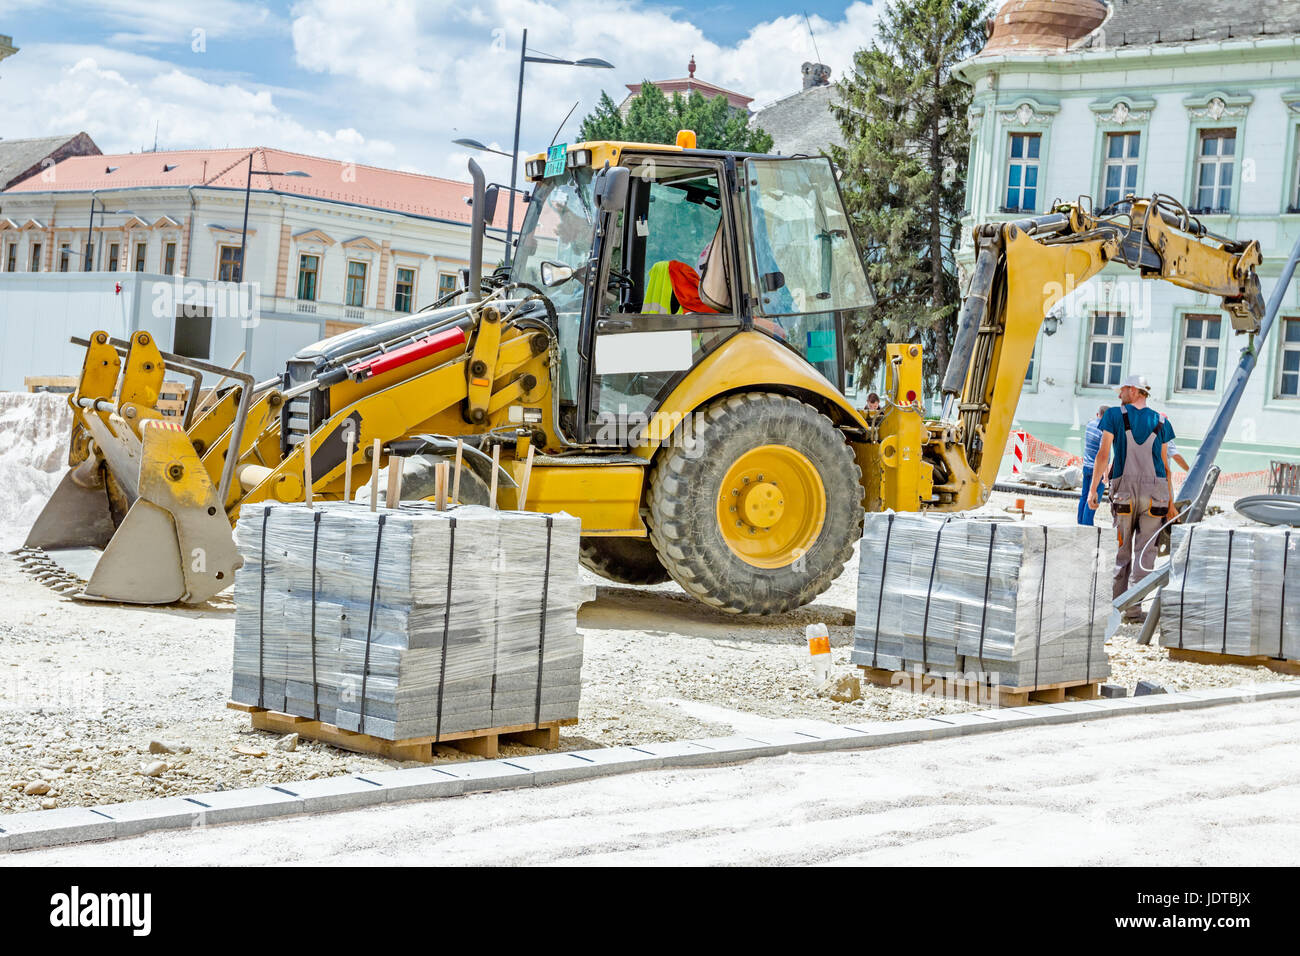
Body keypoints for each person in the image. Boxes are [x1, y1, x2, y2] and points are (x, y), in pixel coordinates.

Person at [1087, 374, 1178, 621]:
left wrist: (1093, 489)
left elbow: (1103, 454)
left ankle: (1116, 608)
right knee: (1146, 553)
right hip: (1156, 496)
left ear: (1135, 391)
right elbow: (1166, 466)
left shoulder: (1114, 415)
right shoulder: (1162, 421)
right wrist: (1170, 504)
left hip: (1125, 493)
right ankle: (1134, 610)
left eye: (1123, 389)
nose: (1119, 395)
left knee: (1121, 552)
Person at [1078, 405, 1107, 526]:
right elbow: (1103, 453)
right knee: (1093, 498)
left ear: (1097, 414)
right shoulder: (1104, 430)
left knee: (1084, 495)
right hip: (1097, 469)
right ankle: (1087, 526)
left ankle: (1080, 523)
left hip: (1086, 466)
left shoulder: (1090, 425)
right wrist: (1105, 475)